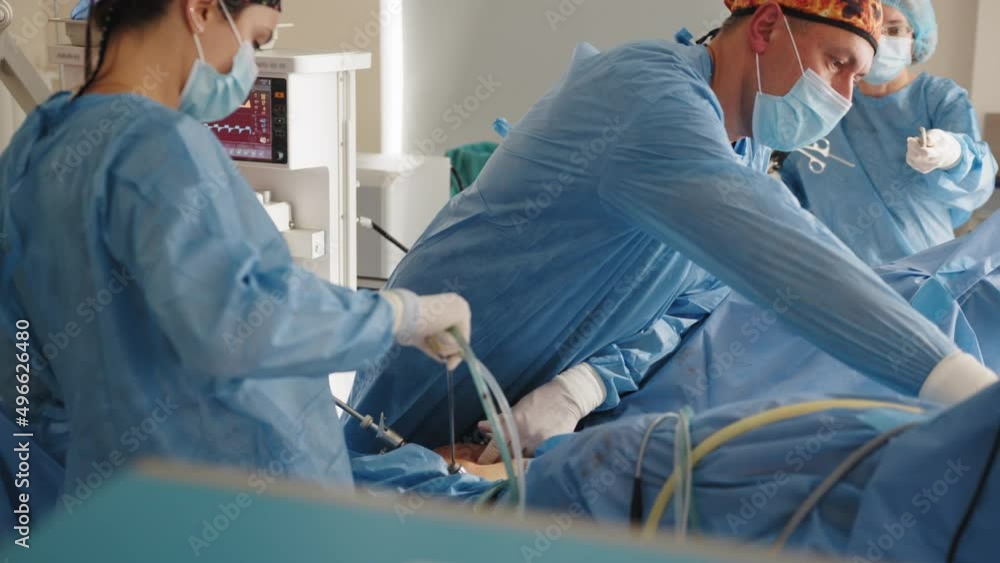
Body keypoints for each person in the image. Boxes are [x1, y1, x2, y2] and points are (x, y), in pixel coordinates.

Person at [346, 0, 998, 463]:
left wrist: (584, 386)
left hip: (504, 427)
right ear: (768, 25)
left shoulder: (739, 149)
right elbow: (793, 261)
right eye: (836, 63)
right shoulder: (650, 97)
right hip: (423, 387)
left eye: (858, 75)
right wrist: (960, 383)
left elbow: (692, 303)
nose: (847, 96)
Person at [0, 0, 471, 493]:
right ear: (201, 10)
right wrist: (397, 316)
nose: (247, 64)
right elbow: (245, 322)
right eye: (255, 39)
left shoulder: (36, 144)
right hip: (239, 505)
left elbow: (22, 368)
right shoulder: (160, 146)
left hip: (118, 504)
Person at [780, 0, 997, 267]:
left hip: (923, 273)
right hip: (839, 280)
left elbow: (978, 177)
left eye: (894, 30)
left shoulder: (938, 99)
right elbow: (790, 189)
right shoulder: (827, 101)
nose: (881, 40)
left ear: (916, 37)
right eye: (873, 27)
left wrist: (952, 155)